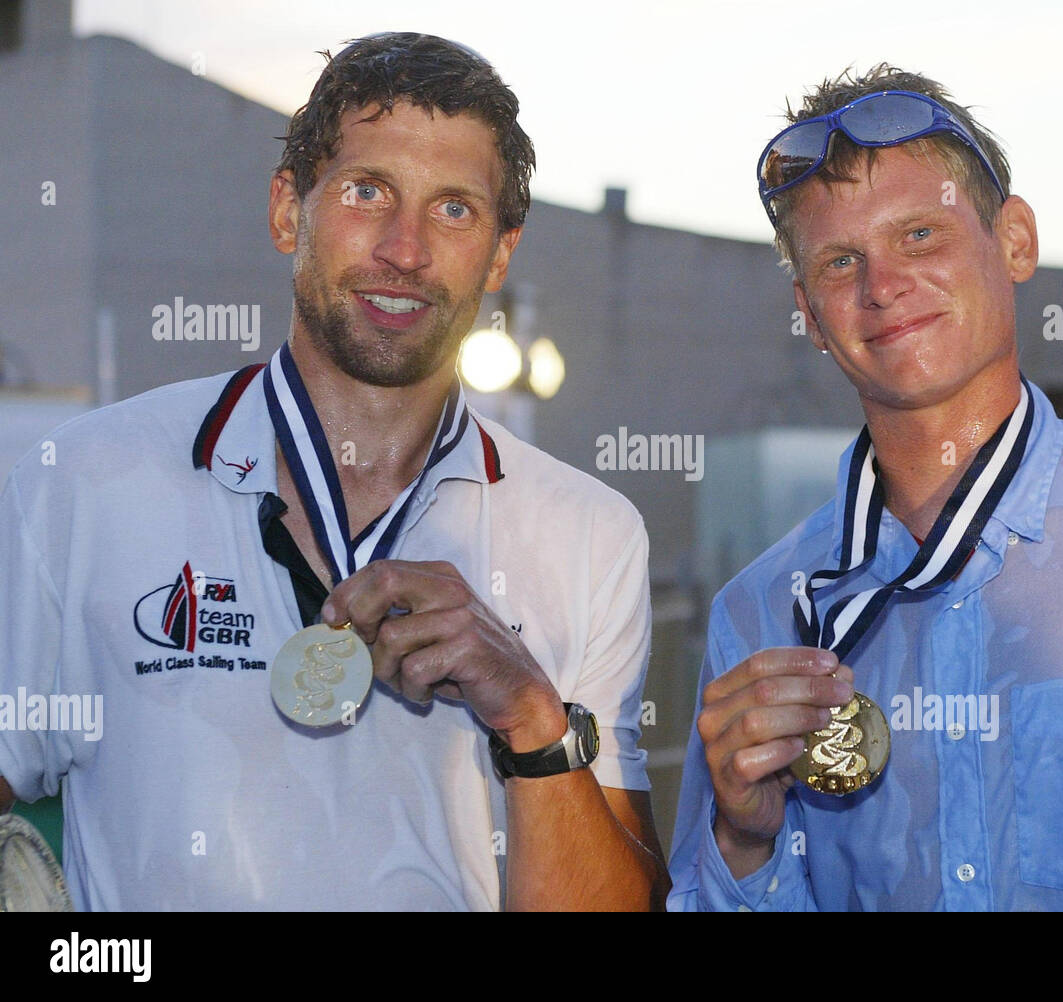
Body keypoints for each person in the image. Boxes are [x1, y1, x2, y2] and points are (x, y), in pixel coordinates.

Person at [0, 32, 668, 911]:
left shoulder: (593, 534)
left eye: (456, 209)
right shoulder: (80, 485)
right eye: (368, 192)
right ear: (288, 210)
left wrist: (532, 718)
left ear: (502, 254)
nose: (407, 248)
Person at [667, 63, 1063, 910]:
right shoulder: (757, 614)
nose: (882, 286)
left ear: (1016, 242)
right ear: (810, 316)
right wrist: (743, 840)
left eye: (921, 235)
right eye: (840, 261)